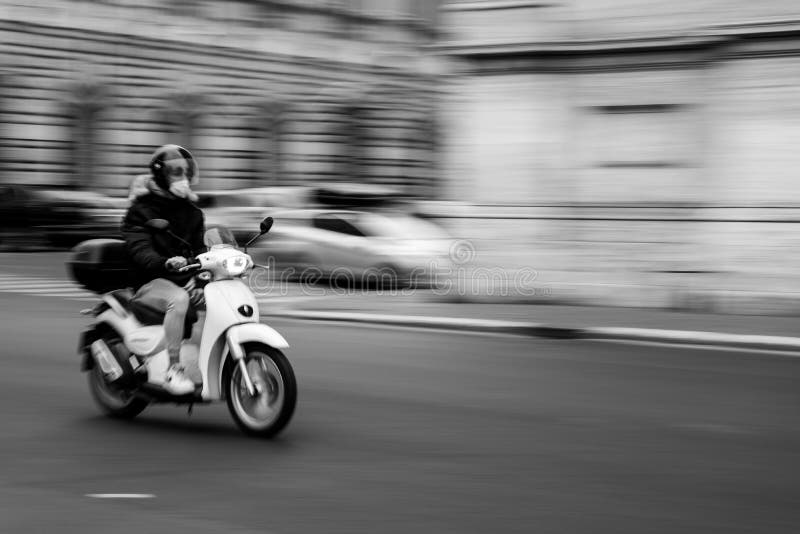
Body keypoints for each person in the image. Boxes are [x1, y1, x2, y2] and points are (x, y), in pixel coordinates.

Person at [121, 144, 205, 395]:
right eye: (176, 172)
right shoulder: (141, 210)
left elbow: (201, 250)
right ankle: (173, 370)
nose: (183, 178)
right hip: (150, 281)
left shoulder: (193, 213)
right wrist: (164, 262)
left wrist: (201, 279)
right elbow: (140, 250)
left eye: (186, 172)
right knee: (178, 300)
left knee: (220, 297)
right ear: (160, 175)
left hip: (182, 278)